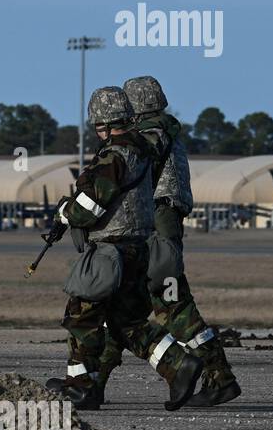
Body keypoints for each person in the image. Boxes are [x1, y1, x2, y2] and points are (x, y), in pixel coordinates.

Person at [45, 86, 203, 411]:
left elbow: (89, 208)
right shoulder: (143, 151)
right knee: (127, 323)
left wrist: (63, 213)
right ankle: (177, 363)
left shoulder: (114, 156)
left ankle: (81, 385)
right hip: (137, 250)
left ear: (101, 124)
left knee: (80, 316)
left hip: (109, 253)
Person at [99, 75, 241, 406]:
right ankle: (93, 381)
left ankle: (216, 377)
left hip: (155, 227)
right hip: (164, 225)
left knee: (166, 304)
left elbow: (132, 167)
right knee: (134, 303)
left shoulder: (151, 133)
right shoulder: (166, 130)